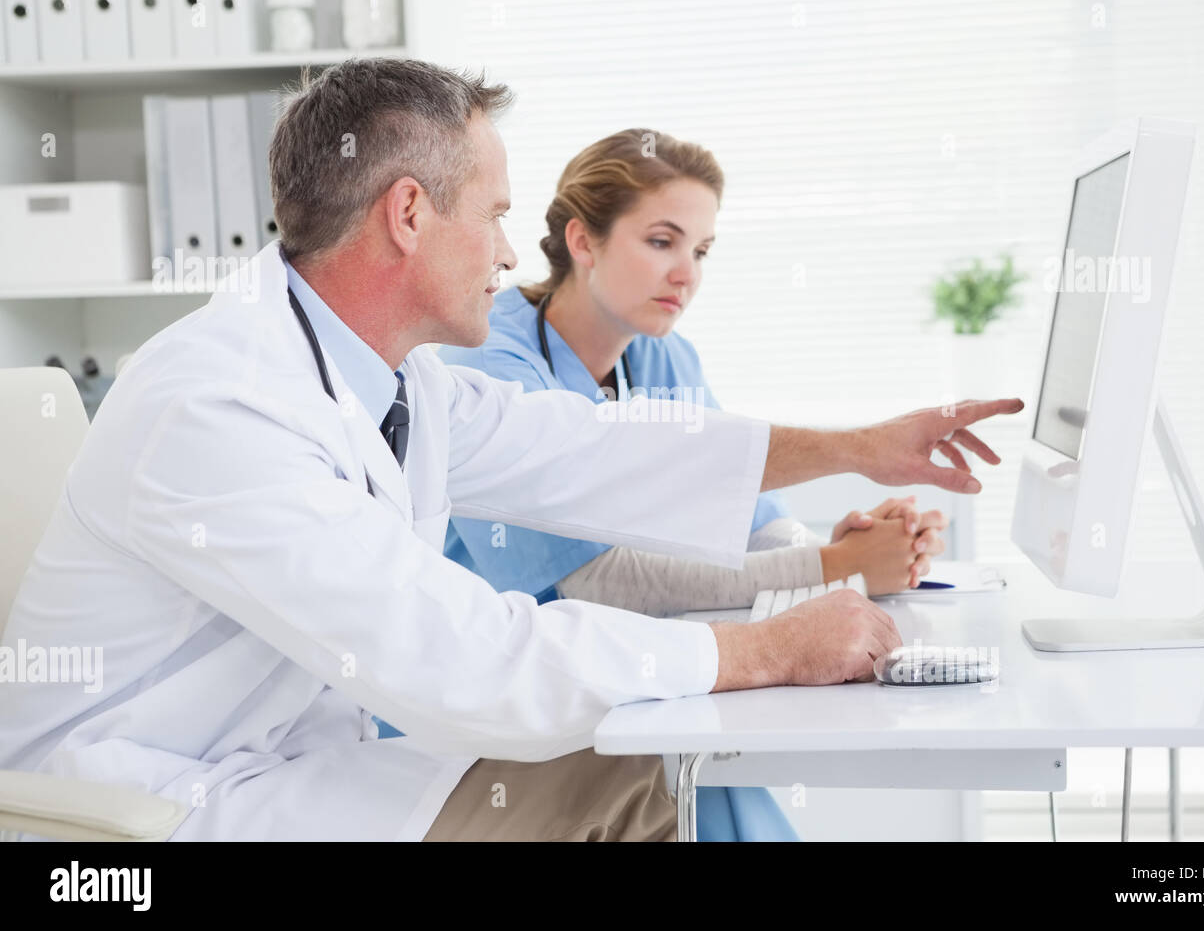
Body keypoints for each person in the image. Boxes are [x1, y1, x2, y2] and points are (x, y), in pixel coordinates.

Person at [0, 58, 1022, 841]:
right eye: (491, 213)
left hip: (290, 760)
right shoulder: (217, 405)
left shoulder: (399, 378)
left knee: (635, 757)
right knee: (627, 765)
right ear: (408, 213)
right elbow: (460, 652)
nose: (503, 249)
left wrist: (865, 445)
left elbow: (592, 448)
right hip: (137, 809)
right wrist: (758, 651)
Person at [436, 129, 948, 840]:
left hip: (612, 678)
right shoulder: (494, 361)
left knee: (713, 769)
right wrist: (831, 570)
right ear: (582, 242)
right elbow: (595, 581)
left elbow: (749, 508)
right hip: (495, 705)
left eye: (701, 251)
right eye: (662, 242)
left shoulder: (663, 357)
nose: (687, 274)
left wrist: (833, 547)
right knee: (696, 769)